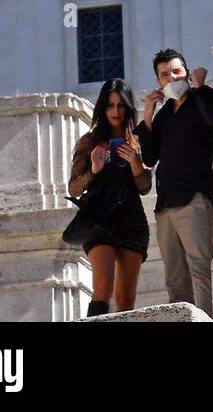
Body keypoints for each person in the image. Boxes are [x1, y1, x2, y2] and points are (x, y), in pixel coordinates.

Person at [136, 48, 213, 317]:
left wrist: (200, 87)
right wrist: (148, 113)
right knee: (174, 278)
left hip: (193, 196)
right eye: (165, 74)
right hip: (165, 203)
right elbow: (150, 158)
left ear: (186, 73)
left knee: (200, 268)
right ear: (158, 82)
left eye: (176, 71)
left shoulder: (202, 100)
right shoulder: (163, 115)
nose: (171, 77)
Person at [69, 79, 151, 317]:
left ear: (128, 108)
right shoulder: (90, 141)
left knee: (125, 298)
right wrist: (93, 169)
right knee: (102, 286)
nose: (115, 111)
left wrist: (135, 161)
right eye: (110, 105)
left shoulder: (138, 140)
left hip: (131, 220)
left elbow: (144, 187)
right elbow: (74, 188)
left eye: (121, 105)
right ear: (102, 109)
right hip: (99, 219)